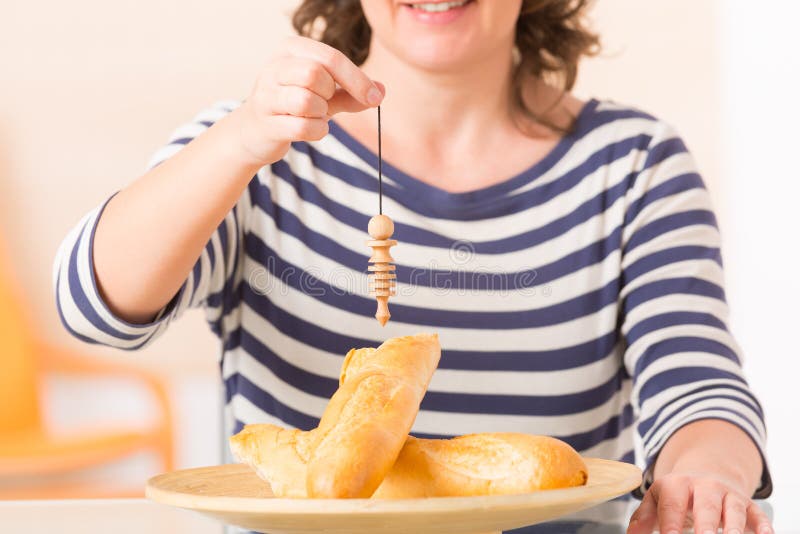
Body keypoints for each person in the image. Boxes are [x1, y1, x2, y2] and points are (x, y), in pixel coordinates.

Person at [53, 1, 773, 533]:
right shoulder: (252, 150)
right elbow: (92, 310)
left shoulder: (634, 163)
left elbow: (699, 387)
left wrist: (706, 481)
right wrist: (240, 139)